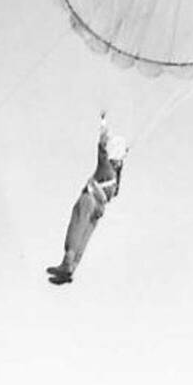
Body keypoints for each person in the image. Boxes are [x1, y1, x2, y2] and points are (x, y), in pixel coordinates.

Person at [47, 113, 127, 285]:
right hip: (99, 209)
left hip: (88, 200)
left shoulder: (106, 168)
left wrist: (103, 124)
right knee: (85, 236)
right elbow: (116, 184)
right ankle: (70, 270)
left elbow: (101, 148)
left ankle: (66, 263)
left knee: (76, 228)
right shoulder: (115, 179)